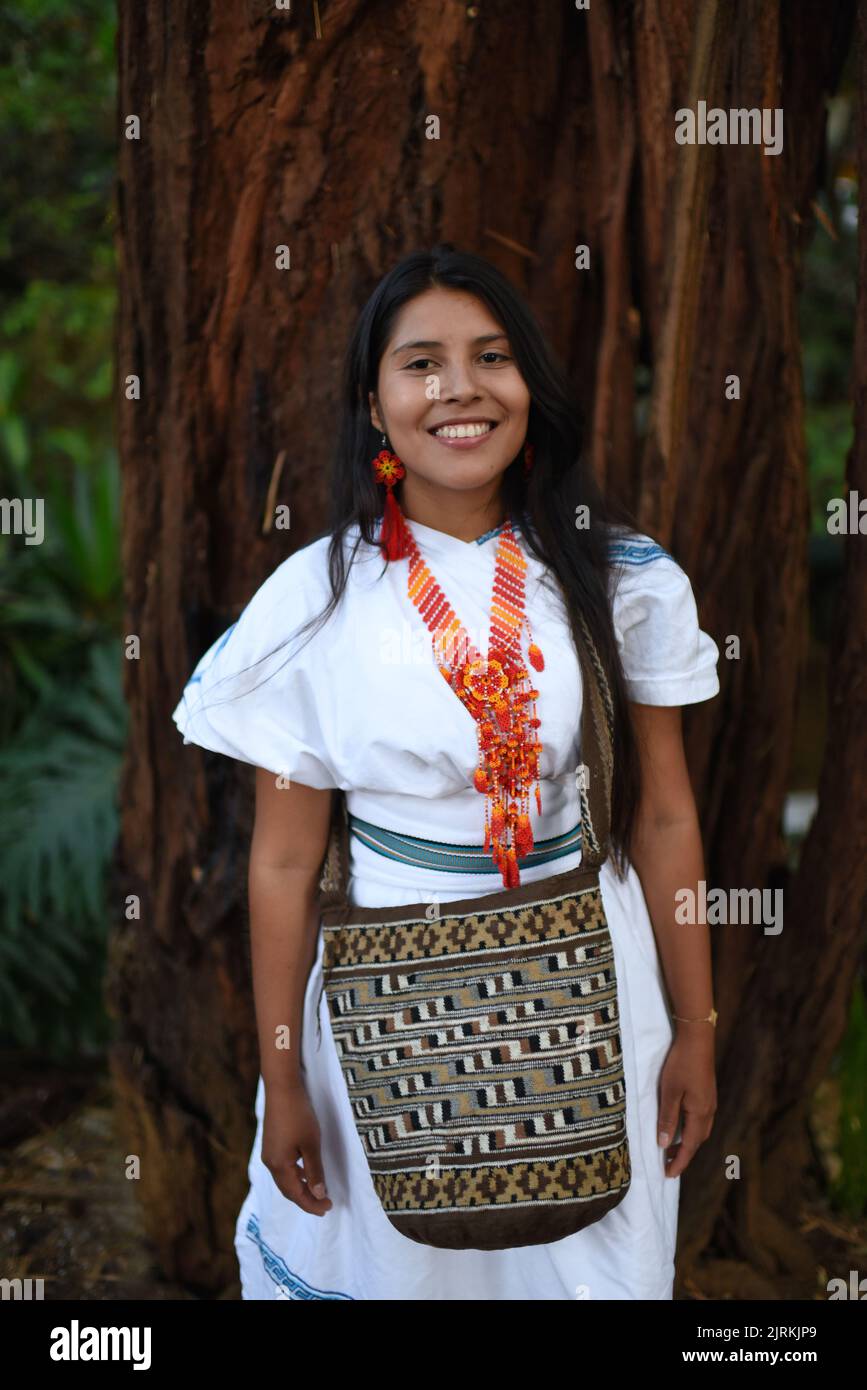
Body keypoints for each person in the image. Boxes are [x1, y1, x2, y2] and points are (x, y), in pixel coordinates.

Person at [172, 243, 720, 1300]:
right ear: (375, 408)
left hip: (592, 985)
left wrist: (695, 1033)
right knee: (397, 1267)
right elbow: (283, 864)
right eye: (420, 363)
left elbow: (661, 818)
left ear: (531, 390)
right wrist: (283, 1076)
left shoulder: (615, 575)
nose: (459, 388)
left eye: (492, 357)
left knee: (586, 1261)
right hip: (387, 995)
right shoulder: (318, 602)